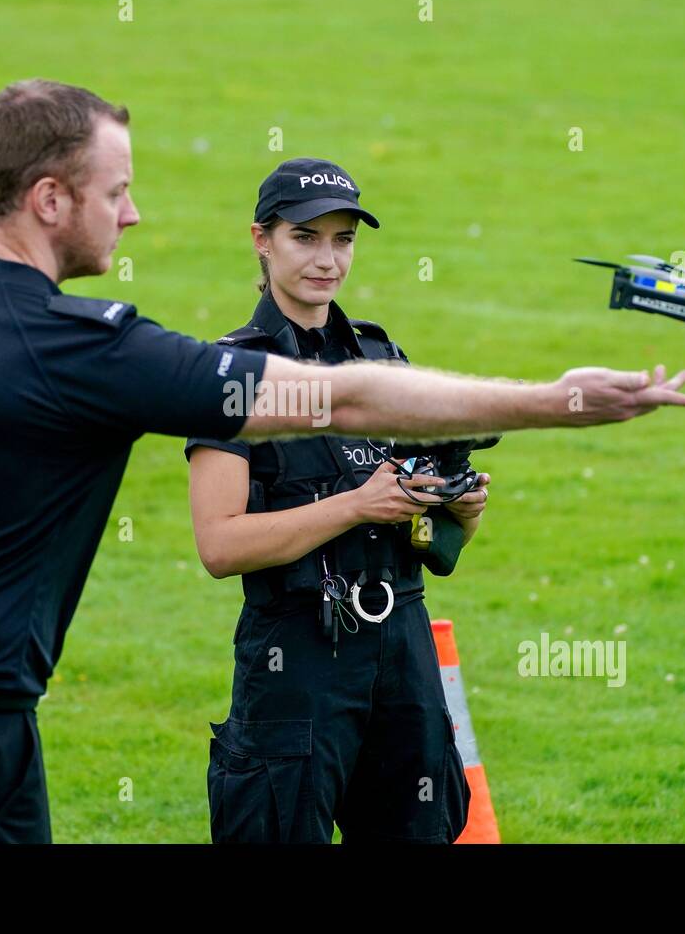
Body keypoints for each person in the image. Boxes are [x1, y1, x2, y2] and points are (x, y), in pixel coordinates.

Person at [0, 78, 685, 844]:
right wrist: (558, 401)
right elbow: (339, 398)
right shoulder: (84, 348)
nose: (134, 215)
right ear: (50, 199)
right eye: (116, 191)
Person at [186, 157, 494, 843]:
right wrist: (355, 505)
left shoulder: (383, 361)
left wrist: (457, 514)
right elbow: (219, 543)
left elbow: (425, 533)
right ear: (261, 239)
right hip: (295, 652)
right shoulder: (231, 373)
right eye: (306, 237)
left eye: (344, 239)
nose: (328, 259)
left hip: (403, 647)